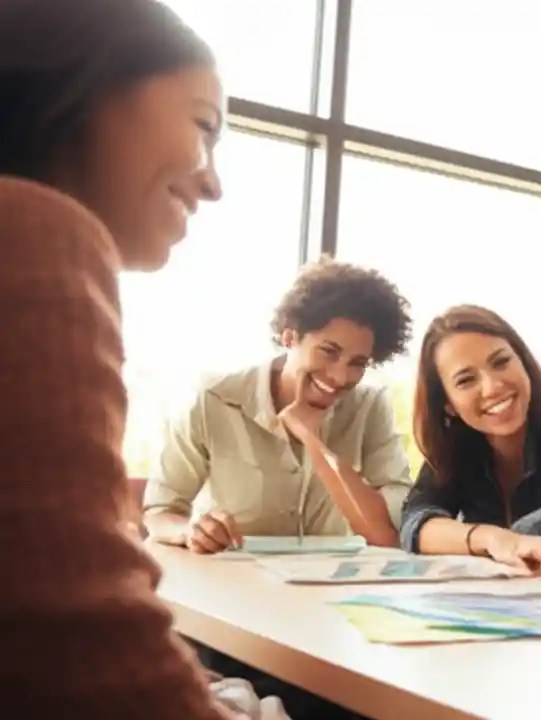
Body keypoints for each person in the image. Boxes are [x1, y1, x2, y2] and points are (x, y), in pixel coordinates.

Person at [0, 0, 285, 716]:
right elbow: (81, 650)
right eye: (203, 127)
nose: (214, 181)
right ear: (88, 83)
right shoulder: (33, 230)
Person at [143, 258, 415, 552]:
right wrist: (189, 530)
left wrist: (312, 440)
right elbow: (159, 512)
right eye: (328, 351)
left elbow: (388, 533)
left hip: (331, 587)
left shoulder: (370, 408)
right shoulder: (212, 400)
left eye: (358, 363)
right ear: (290, 336)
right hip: (231, 583)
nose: (340, 377)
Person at [401, 304, 541, 571]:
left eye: (501, 362)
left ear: (523, 361)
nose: (492, 387)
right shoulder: (456, 444)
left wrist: (496, 541)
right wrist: (492, 539)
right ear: (448, 404)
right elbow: (415, 522)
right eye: (466, 380)